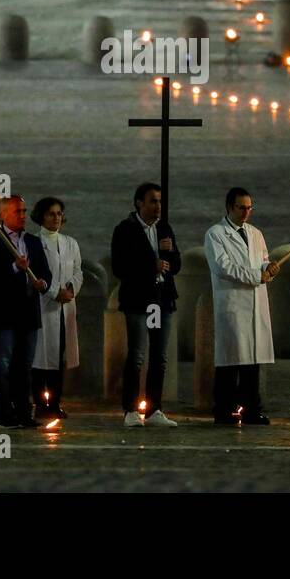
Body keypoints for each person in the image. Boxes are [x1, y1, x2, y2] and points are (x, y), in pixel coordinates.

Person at [110, 182, 181, 428]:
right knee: (137, 355)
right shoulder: (125, 229)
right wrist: (150, 264)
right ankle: (130, 409)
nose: (157, 206)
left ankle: (154, 410)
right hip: (139, 300)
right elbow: (119, 266)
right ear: (139, 202)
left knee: (159, 357)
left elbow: (177, 264)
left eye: (160, 201)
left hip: (161, 299)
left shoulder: (164, 228)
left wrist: (168, 254)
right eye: (152, 201)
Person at [204, 187, 275, 425]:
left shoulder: (256, 233)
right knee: (230, 360)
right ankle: (223, 410)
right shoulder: (215, 234)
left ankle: (252, 409)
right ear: (229, 207)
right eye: (241, 208)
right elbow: (223, 267)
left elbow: (263, 261)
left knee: (252, 361)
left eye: (249, 208)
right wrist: (257, 275)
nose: (246, 212)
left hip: (255, 302)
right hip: (232, 302)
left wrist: (269, 270)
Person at [0, 194, 51, 427]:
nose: (23, 216)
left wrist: (43, 283)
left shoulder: (32, 241)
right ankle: (3, 412)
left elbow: (44, 271)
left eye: (24, 211)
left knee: (24, 366)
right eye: (18, 212)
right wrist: (13, 267)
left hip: (29, 312)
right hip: (5, 312)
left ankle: (24, 412)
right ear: (4, 214)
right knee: (3, 365)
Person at [30, 196, 83, 420]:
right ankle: (40, 403)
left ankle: (56, 402)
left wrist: (71, 289)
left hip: (65, 309)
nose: (56, 218)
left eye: (59, 213)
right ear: (42, 216)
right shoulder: (34, 243)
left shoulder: (70, 243)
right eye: (51, 214)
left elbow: (78, 271)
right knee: (40, 358)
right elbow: (36, 274)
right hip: (44, 306)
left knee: (59, 356)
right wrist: (54, 293)